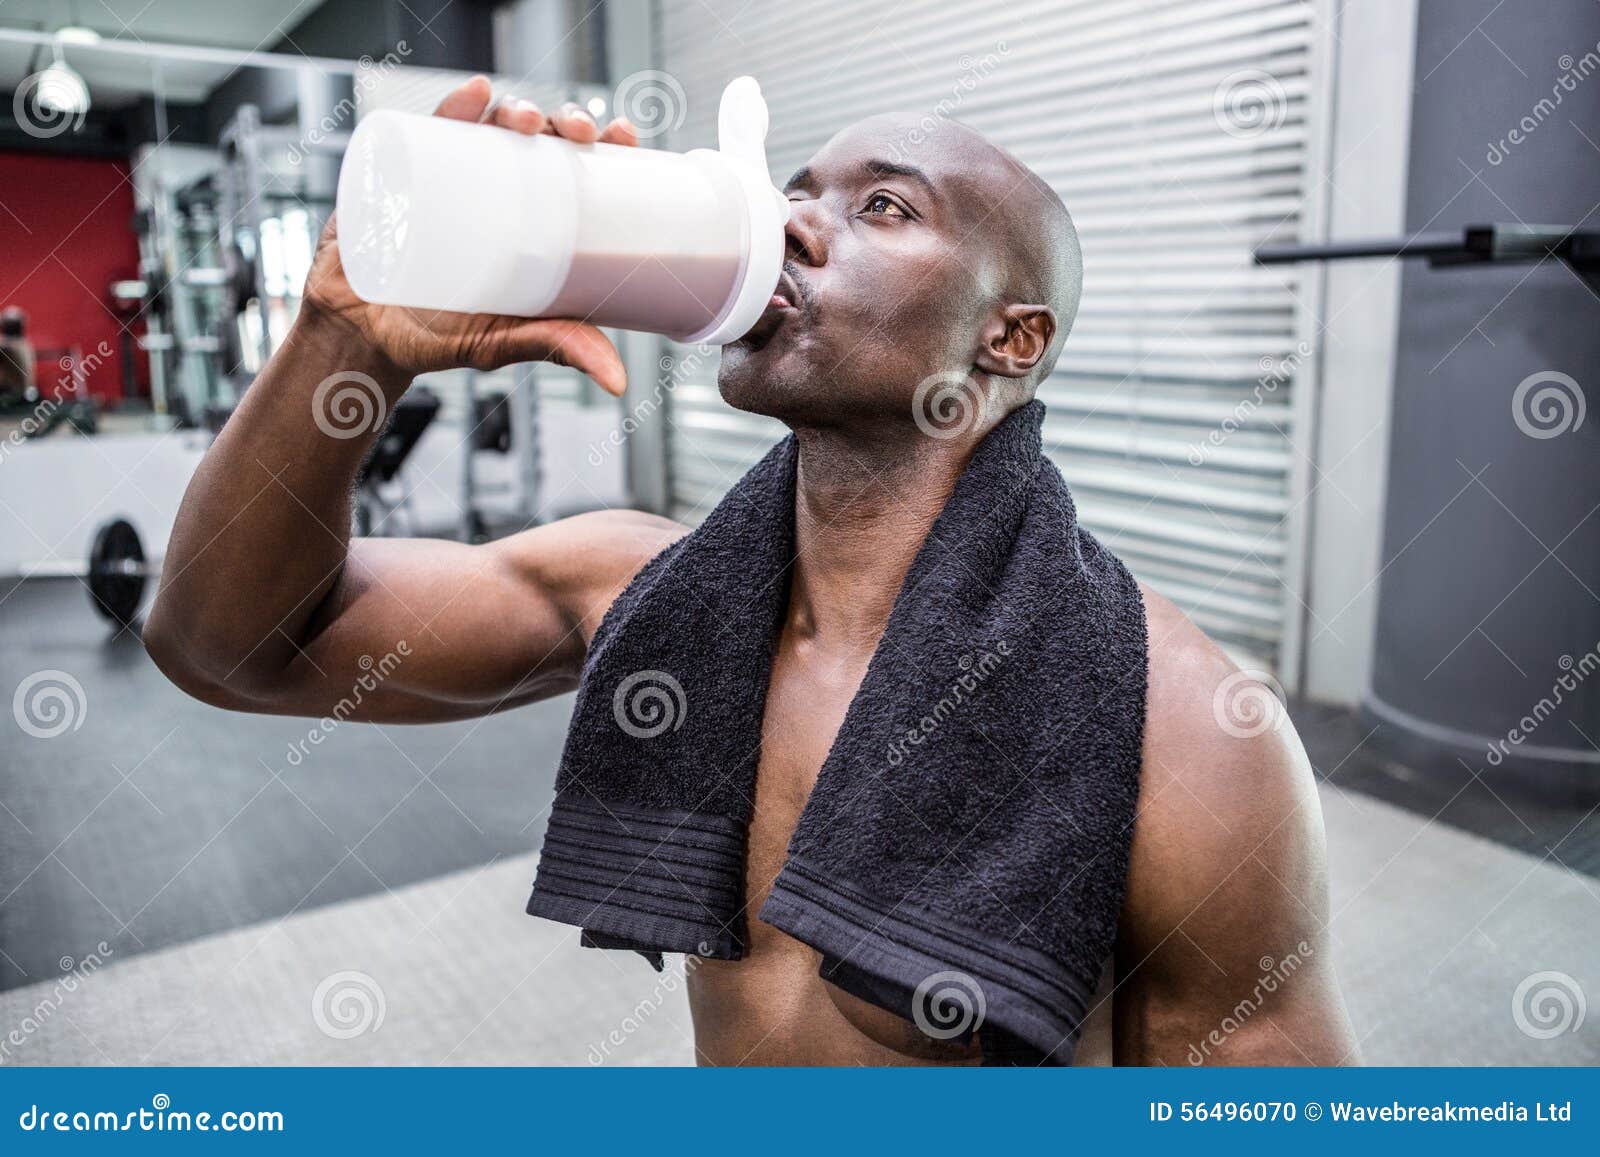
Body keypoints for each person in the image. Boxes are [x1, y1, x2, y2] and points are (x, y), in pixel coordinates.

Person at [144, 77, 1357, 1066]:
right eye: (792, 192)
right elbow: (228, 645)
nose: (790, 224)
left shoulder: (1183, 726)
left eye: (882, 207)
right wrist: (344, 337)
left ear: (1009, 336)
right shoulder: (641, 590)